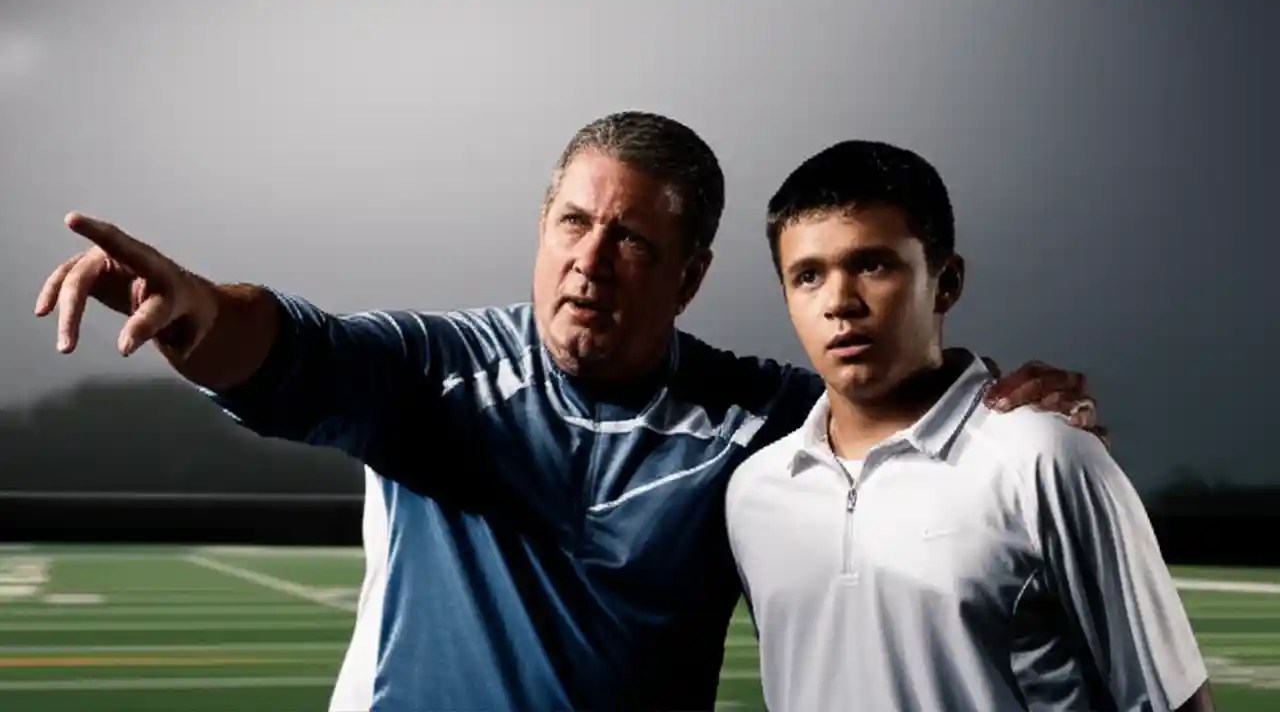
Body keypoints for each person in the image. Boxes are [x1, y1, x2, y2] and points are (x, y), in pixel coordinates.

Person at [36, 111, 1105, 711]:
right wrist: (192, 312)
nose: (589, 261)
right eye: (571, 222)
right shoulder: (436, 371)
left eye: (629, 240)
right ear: (541, 225)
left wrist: (997, 396)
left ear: (687, 278)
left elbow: (893, 414)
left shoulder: (761, 419)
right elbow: (291, 347)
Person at [724, 139, 1212, 711]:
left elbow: (1173, 702)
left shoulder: (1044, 458)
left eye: (873, 264)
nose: (839, 301)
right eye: (808, 275)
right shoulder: (755, 491)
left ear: (947, 281)